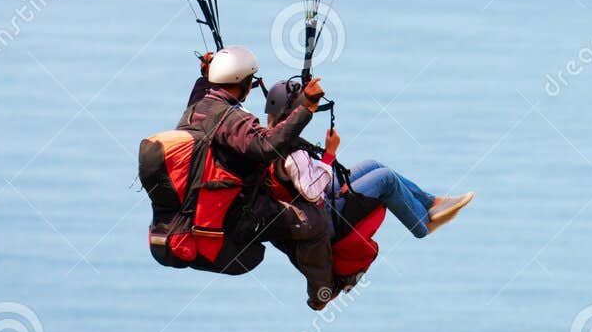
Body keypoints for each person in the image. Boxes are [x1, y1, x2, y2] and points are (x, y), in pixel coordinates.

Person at [145, 47, 336, 309]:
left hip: (196, 216)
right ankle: (322, 296)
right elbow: (268, 146)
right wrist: (308, 108)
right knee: (315, 221)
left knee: (283, 217)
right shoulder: (233, 120)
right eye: (252, 82)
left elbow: (204, 98)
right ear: (245, 86)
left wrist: (206, 76)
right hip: (236, 221)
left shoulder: (194, 112)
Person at [264, 78, 475, 245]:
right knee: (385, 179)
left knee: (372, 165)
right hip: (322, 215)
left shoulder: (271, 138)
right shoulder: (291, 153)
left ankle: (432, 203)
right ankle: (422, 225)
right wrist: (329, 154)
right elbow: (311, 192)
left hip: (320, 200)